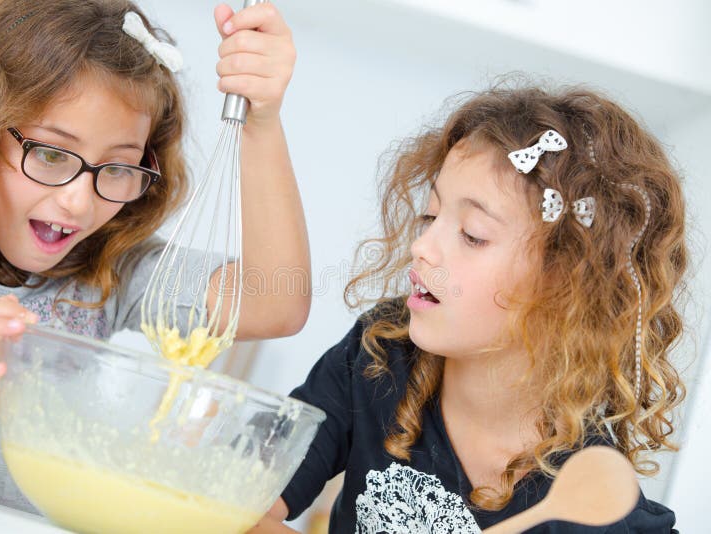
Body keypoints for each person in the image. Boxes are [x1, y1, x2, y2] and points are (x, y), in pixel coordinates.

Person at [0, 0, 310, 512]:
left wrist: (261, 123)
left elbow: (274, 303)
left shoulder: (109, 272)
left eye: (118, 167)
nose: (79, 201)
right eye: (52, 154)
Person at [255, 84, 686, 533]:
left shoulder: (588, 505)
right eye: (430, 215)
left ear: (567, 284)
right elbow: (238, 503)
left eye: (473, 234)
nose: (422, 246)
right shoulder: (382, 353)